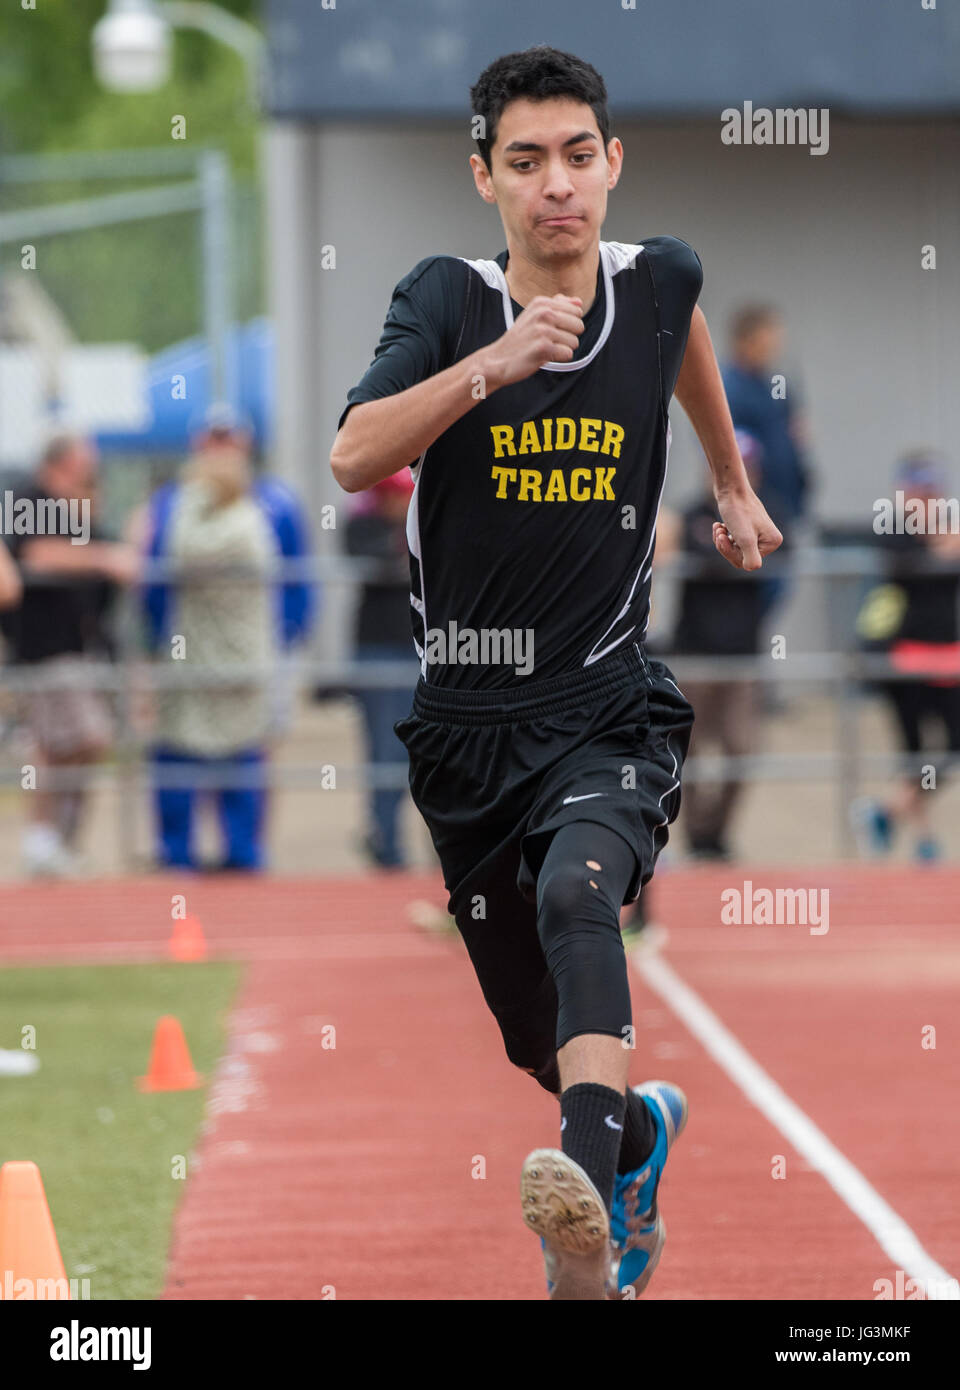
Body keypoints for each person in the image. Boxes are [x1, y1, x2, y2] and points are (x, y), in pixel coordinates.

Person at [331, 46, 781, 1300]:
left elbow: (681, 328)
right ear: (485, 179)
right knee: (540, 1036)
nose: (557, 186)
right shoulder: (445, 300)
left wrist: (732, 483)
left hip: (606, 702)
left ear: (612, 162)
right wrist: (494, 368)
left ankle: (579, 1204)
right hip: (466, 728)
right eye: (525, 162)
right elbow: (352, 455)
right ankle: (630, 1145)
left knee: (582, 896)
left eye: (578, 156)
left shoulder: (663, 277)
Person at [139, 404, 317, 869]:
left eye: (228, 440)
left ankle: (244, 853)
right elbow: (155, 576)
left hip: (253, 650)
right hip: (189, 652)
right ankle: (178, 854)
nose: (220, 450)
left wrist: (286, 635)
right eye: (212, 440)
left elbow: (298, 576)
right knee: (181, 749)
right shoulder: (172, 502)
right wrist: (158, 641)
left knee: (246, 749)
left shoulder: (274, 502)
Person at [0, 435, 137, 877]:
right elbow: (35, 554)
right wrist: (102, 558)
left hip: (82, 646)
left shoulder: (74, 503)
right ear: (62, 460)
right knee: (65, 741)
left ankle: (59, 839)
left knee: (77, 743)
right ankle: (44, 838)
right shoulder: (28, 497)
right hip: (43, 648)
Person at [851, 451, 960, 862]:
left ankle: (887, 812)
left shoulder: (948, 528)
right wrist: (940, 547)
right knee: (914, 753)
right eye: (919, 489)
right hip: (906, 659)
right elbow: (906, 570)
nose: (926, 498)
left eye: (932, 490)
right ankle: (924, 837)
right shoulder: (892, 532)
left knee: (950, 749)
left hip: (948, 658)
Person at [670, 431, 768, 859]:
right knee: (688, 752)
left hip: (742, 657)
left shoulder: (770, 515)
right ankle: (695, 836)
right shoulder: (691, 515)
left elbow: (777, 563)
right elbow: (698, 559)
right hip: (695, 654)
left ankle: (714, 833)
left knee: (740, 751)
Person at [344, 471, 421, 869]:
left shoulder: (426, 517)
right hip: (377, 650)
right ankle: (387, 846)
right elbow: (373, 559)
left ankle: (441, 853)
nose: (396, 504)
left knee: (432, 754)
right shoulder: (361, 523)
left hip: (430, 651)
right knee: (384, 751)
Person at [722, 305, 810, 623]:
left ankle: (755, 661)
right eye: (767, 338)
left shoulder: (776, 384)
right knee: (752, 585)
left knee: (779, 584)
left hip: (784, 504)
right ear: (745, 340)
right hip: (752, 504)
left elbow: (794, 432)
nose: (774, 345)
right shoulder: (727, 387)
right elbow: (727, 447)